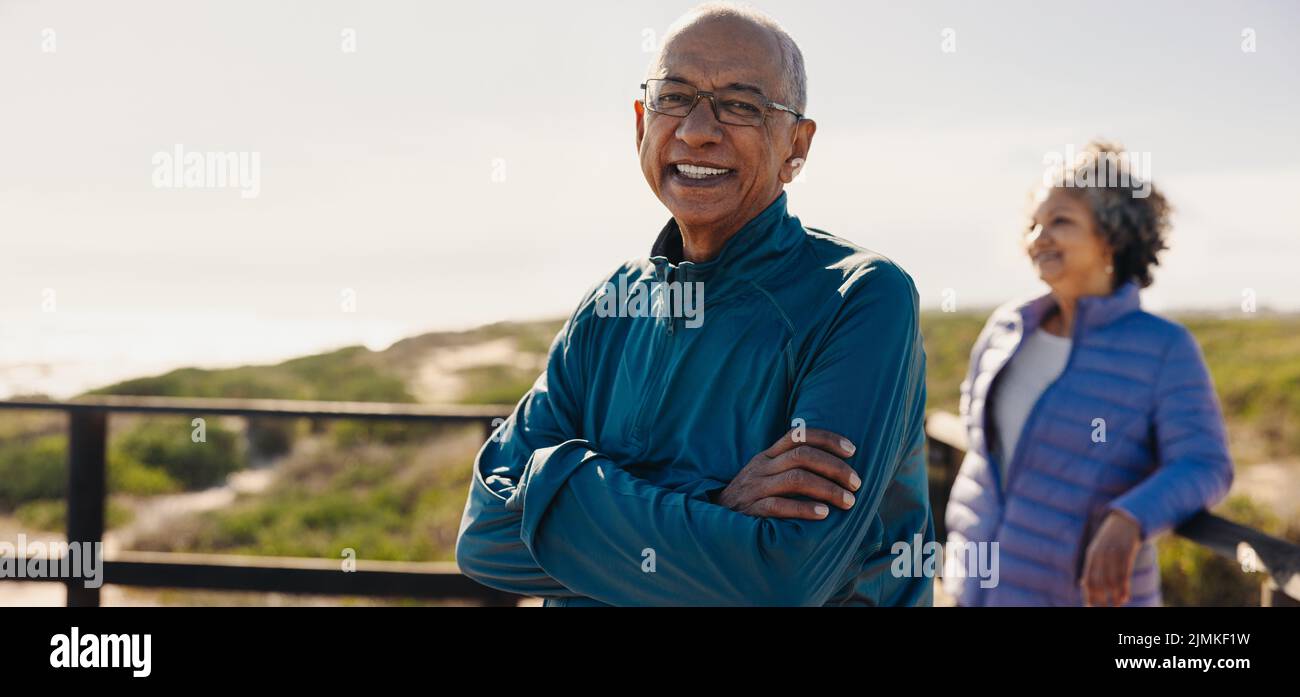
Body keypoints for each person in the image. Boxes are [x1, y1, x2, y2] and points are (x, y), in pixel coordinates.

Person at [454, 2, 932, 605]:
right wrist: (715, 505)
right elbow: (483, 537)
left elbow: (783, 579)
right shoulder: (609, 307)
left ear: (797, 146)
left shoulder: (860, 297)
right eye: (674, 97)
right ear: (640, 124)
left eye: (740, 105)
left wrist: (558, 491)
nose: (698, 130)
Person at [944, 141, 1234, 606]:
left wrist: (1129, 518)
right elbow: (982, 463)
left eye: (1060, 221)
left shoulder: (1164, 348)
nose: (1039, 237)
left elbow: (1205, 464)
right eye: (1034, 223)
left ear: (1113, 237)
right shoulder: (1005, 329)